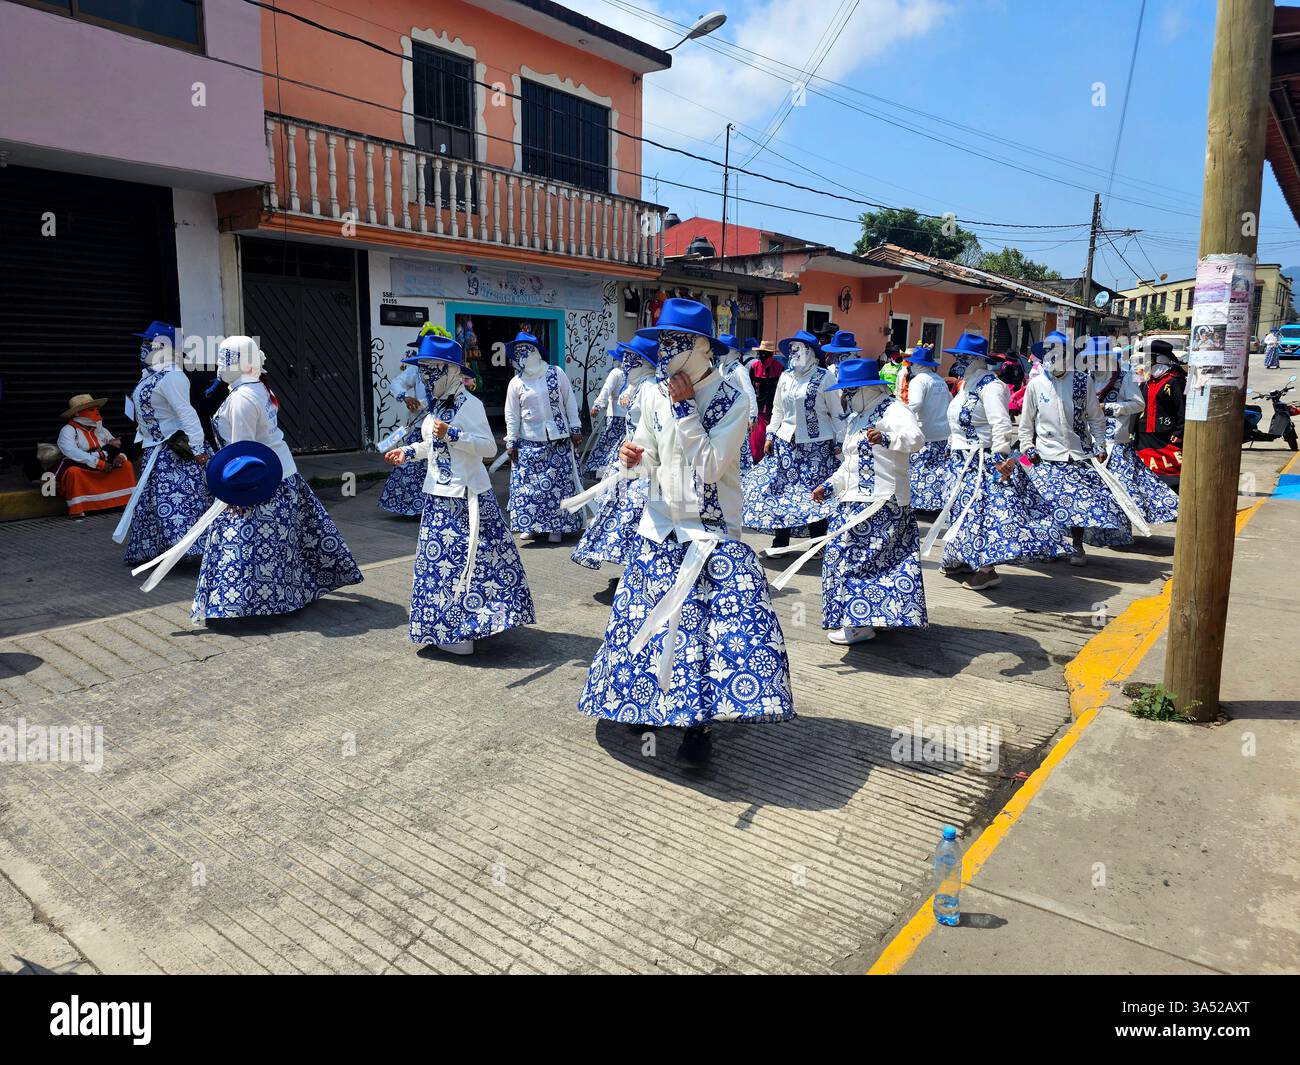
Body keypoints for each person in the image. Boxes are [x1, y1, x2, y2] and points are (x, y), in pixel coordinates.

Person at [578, 298, 794, 766]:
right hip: (658, 527)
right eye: (661, 342)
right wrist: (633, 461)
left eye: (673, 343)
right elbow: (649, 452)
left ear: (699, 346)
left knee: (698, 637)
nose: (663, 353)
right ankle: (645, 702)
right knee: (646, 622)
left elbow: (713, 467)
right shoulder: (654, 393)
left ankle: (697, 728)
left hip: (709, 536)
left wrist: (684, 410)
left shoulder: (733, 400)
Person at [191, 336, 362, 622]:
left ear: (243, 363)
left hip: (258, 481)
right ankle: (285, 598)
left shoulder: (242, 399)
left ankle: (246, 606)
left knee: (252, 545)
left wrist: (236, 494)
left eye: (225, 358)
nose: (218, 364)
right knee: (281, 544)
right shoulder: (256, 389)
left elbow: (241, 453)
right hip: (279, 475)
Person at [385, 333, 534, 655]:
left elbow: (488, 448)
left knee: (465, 566)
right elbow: (433, 446)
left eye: (432, 370)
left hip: (467, 500)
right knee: (440, 567)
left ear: (451, 371)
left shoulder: (470, 404)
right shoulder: (435, 404)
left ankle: (464, 631)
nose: (426, 377)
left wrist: (453, 433)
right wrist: (409, 452)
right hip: (439, 496)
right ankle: (454, 630)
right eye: (422, 370)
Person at [931, 331, 1070, 590]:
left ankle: (986, 569)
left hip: (982, 462)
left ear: (978, 360)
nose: (959, 362)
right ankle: (962, 558)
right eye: (958, 356)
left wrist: (1000, 457)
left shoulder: (991, 386)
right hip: (962, 461)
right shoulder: (966, 386)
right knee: (962, 513)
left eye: (965, 357)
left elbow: (1001, 425)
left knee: (983, 515)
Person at [811, 357, 927, 645]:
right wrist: (830, 485)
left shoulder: (892, 410)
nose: (847, 397)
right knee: (863, 562)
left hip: (882, 503)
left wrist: (886, 438)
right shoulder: (857, 419)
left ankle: (860, 623)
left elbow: (916, 439)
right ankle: (876, 616)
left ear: (868, 388)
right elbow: (850, 463)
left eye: (851, 391)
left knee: (860, 562)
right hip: (856, 502)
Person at [1018, 335, 1127, 566]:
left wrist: (1100, 445)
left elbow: (1096, 418)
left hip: (1077, 453)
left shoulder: (1081, 381)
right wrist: (1027, 447)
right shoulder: (1036, 385)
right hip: (1045, 455)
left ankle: (1077, 546)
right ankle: (1052, 546)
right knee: (1046, 504)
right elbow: (1026, 423)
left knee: (1078, 504)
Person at [116, 321, 213, 563]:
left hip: (175, 453)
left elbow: (187, 414)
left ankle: (189, 551)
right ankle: (154, 551)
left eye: (149, 343)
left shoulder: (172, 377)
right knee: (152, 503)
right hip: (154, 451)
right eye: (145, 343)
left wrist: (199, 448)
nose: (143, 347)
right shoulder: (150, 376)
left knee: (180, 501)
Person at [742, 329, 841, 555]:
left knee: (814, 493)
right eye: (791, 349)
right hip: (786, 444)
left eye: (799, 349)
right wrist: (770, 435)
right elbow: (778, 409)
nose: (793, 354)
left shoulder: (825, 377)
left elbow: (836, 412)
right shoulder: (786, 377)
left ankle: (817, 545)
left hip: (817, 444)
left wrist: (840, 441)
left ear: (811, 352)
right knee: (783, 492)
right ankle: (781, 544)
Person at [570, 335, 658, 572]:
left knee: (636, 515)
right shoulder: (640, 385)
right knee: (623, 512)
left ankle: (639, 567)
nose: (625, 362)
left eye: (631, 358)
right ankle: (633, 566)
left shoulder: (651, 388)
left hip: (645, 467)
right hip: (633, 462)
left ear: (642, 361)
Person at [1085, 340, 1179, 547]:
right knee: (1094, 492)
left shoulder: (1125, 378)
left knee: (1119, 492)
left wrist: (1108, 408)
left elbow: (1138, 404)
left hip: (1115, 442)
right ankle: (1092, 537)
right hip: (1090, 441)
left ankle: (1117, 536)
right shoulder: (1087, 379)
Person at [503, 331, 585, 543]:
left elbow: (569, 401)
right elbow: (511, 414)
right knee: (530, 489)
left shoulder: (556, 373)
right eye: (518, 352)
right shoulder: (516, 383)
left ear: (537, 352)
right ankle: (531, 526)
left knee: (557, 488)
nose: (522, 356)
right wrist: (511, 441)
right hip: (529, 441)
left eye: (527, 350)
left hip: (557, 440)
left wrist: (575, 428)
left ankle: (556, 528)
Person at [377, 324, 449, 516]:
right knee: (410, 467)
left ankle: (434, 507)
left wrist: (421, 403)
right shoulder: (415, 372)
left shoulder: (447, 375)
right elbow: (396, 383)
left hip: (439, 428)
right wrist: (405, 397)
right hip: (417, 428)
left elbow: (442, 397)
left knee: (435, 467)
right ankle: (412, 508)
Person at [55, 394, 136, 519]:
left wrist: (120, 456)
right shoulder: (68, 430)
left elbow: (114, 444)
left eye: (97, 409)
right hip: (83, 466)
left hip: (105, 465)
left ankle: (122, 502)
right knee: (73, 472)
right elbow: (71, 452)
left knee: (126, 466)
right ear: (77, 414)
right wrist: (98, 463)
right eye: (91, 410)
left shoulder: (100, 429)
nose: (97, 413)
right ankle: (78, 508)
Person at [898, 345, 951, 511]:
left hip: (925, 432)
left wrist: (899, 414)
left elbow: (915, 404)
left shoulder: (919, 381)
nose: (911, 367)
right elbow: (950, 401)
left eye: (912, 364)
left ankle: (920, 504)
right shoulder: (939, 380)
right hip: (942, 432)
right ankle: (935, 503)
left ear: (918, 365)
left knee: (919, 469)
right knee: (937, 471)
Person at [1132, 340, 1187, 491]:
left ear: (1161, 360)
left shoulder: (1175, 382)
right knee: (1147, 473)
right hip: (1145, 435)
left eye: (1150, 359)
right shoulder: (1146, 381)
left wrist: (1180, 431)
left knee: (1170, 472)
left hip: (1166, 435)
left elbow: (1181, 408)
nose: (1147, 364)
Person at [581, 345, 628, 477]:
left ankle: (604, 472)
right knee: (615, 445)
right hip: (619, 415)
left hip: (619, 416)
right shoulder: (622, 373)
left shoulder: (618, 373)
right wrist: (598, 405)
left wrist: (597, 406)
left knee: (609, 445)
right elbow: (607, 390)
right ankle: (605, 472)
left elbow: (606, 389)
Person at [716, 333, 759, 476]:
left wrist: (753, 416)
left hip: (737, 418)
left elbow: (749, 392)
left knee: (739, 450)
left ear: (731, 352)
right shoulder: (721, 368)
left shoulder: (739, 370)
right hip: (722, 419)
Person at [748, 339, 784, 461]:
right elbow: (750, 388)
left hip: (775, 407)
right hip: (759, 408)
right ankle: (757, 459)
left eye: (765, 353)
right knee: (757, 437)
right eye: (761, 352)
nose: (762, 355)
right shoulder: (754, 367)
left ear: (771, 354)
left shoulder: (779, 368)